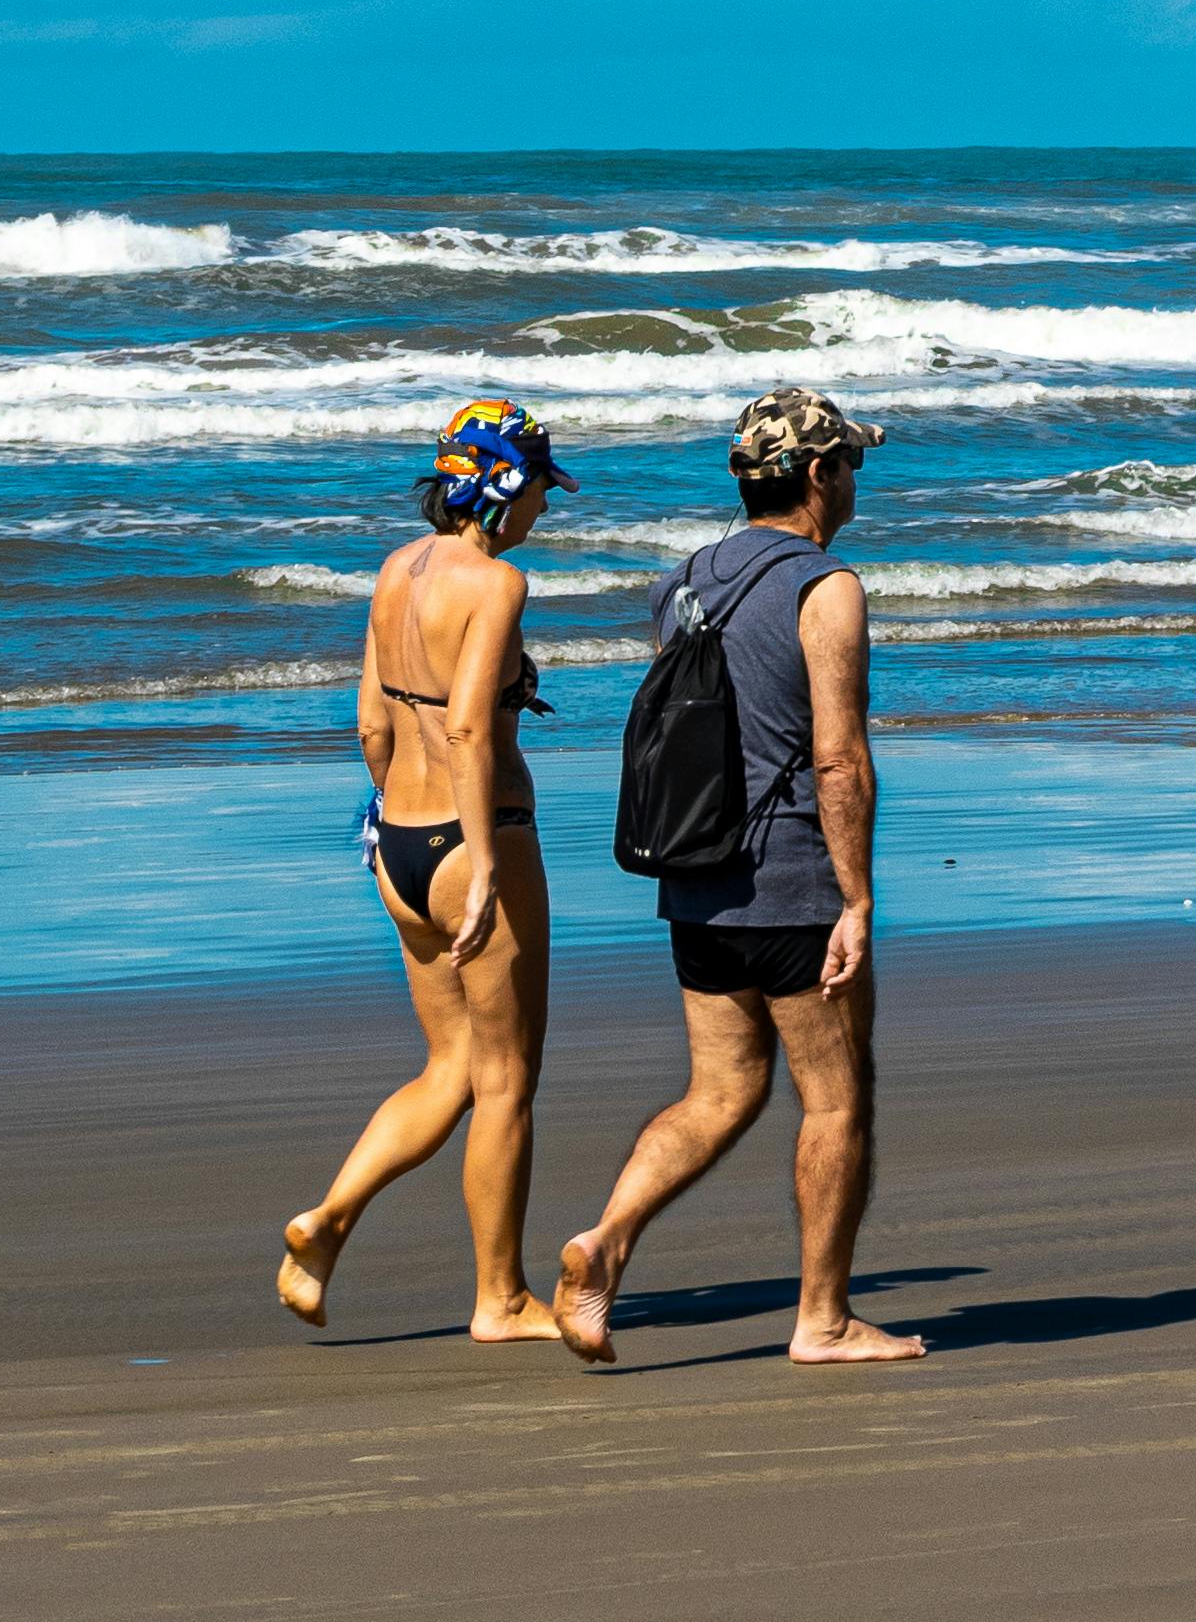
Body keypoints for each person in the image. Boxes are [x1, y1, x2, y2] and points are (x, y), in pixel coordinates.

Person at [554, 383, 924, 1372]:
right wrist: (856, 898)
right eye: (849, 463)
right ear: (816, 474)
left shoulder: (681, 580)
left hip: (697, 875)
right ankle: (824, 1319)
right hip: (789, 875)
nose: (855, 481)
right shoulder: (824, 584)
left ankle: (605, 1242)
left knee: (718, 1091)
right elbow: (837, 759)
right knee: (836, 1099)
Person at [278, 396, 574, 1342]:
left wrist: (395, 818)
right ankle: (499, 1297)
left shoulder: (392, 572)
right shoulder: (496, 584)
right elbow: (468, 726)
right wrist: (484, 863)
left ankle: (325, 1222)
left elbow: (372, 722)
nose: (541, 511)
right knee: (506, 1078)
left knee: (449, 1065)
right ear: (502, 485)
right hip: (469, 840)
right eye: (537, 490)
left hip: (395, 844)